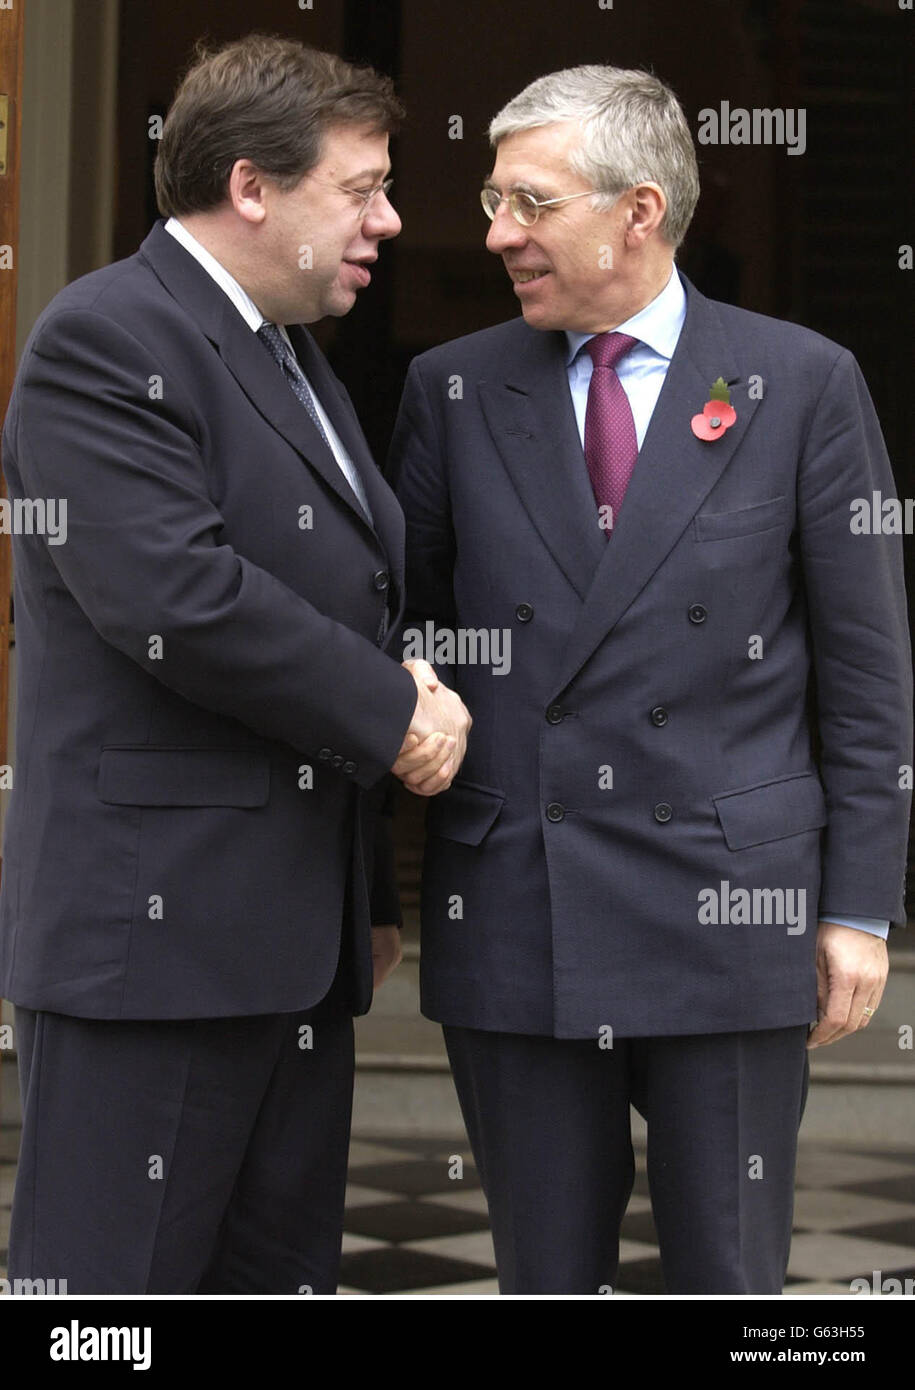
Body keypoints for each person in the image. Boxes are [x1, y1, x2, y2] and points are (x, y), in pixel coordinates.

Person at [390, 65, 912, 1294]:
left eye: (529, 202)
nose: (495, 232)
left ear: (638, 210)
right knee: (546, 1276)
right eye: (492, 197)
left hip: (730, 909)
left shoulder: (802, 382)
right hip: (522, 898)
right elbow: (399, 635)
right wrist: (375, 880)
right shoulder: (453, 389)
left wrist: (857, 908)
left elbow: (869, 672)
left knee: (730, 1279)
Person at [0, 34, 468, 1294]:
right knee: (115, 1302)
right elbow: (180, 597)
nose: (391, 218)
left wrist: (364, 888)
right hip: (152, 948)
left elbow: (344, 593)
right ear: (252, 187)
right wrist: (398, 713)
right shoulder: (103, 338)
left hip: (290, 940)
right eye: (362, 187)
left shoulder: (289, 349)